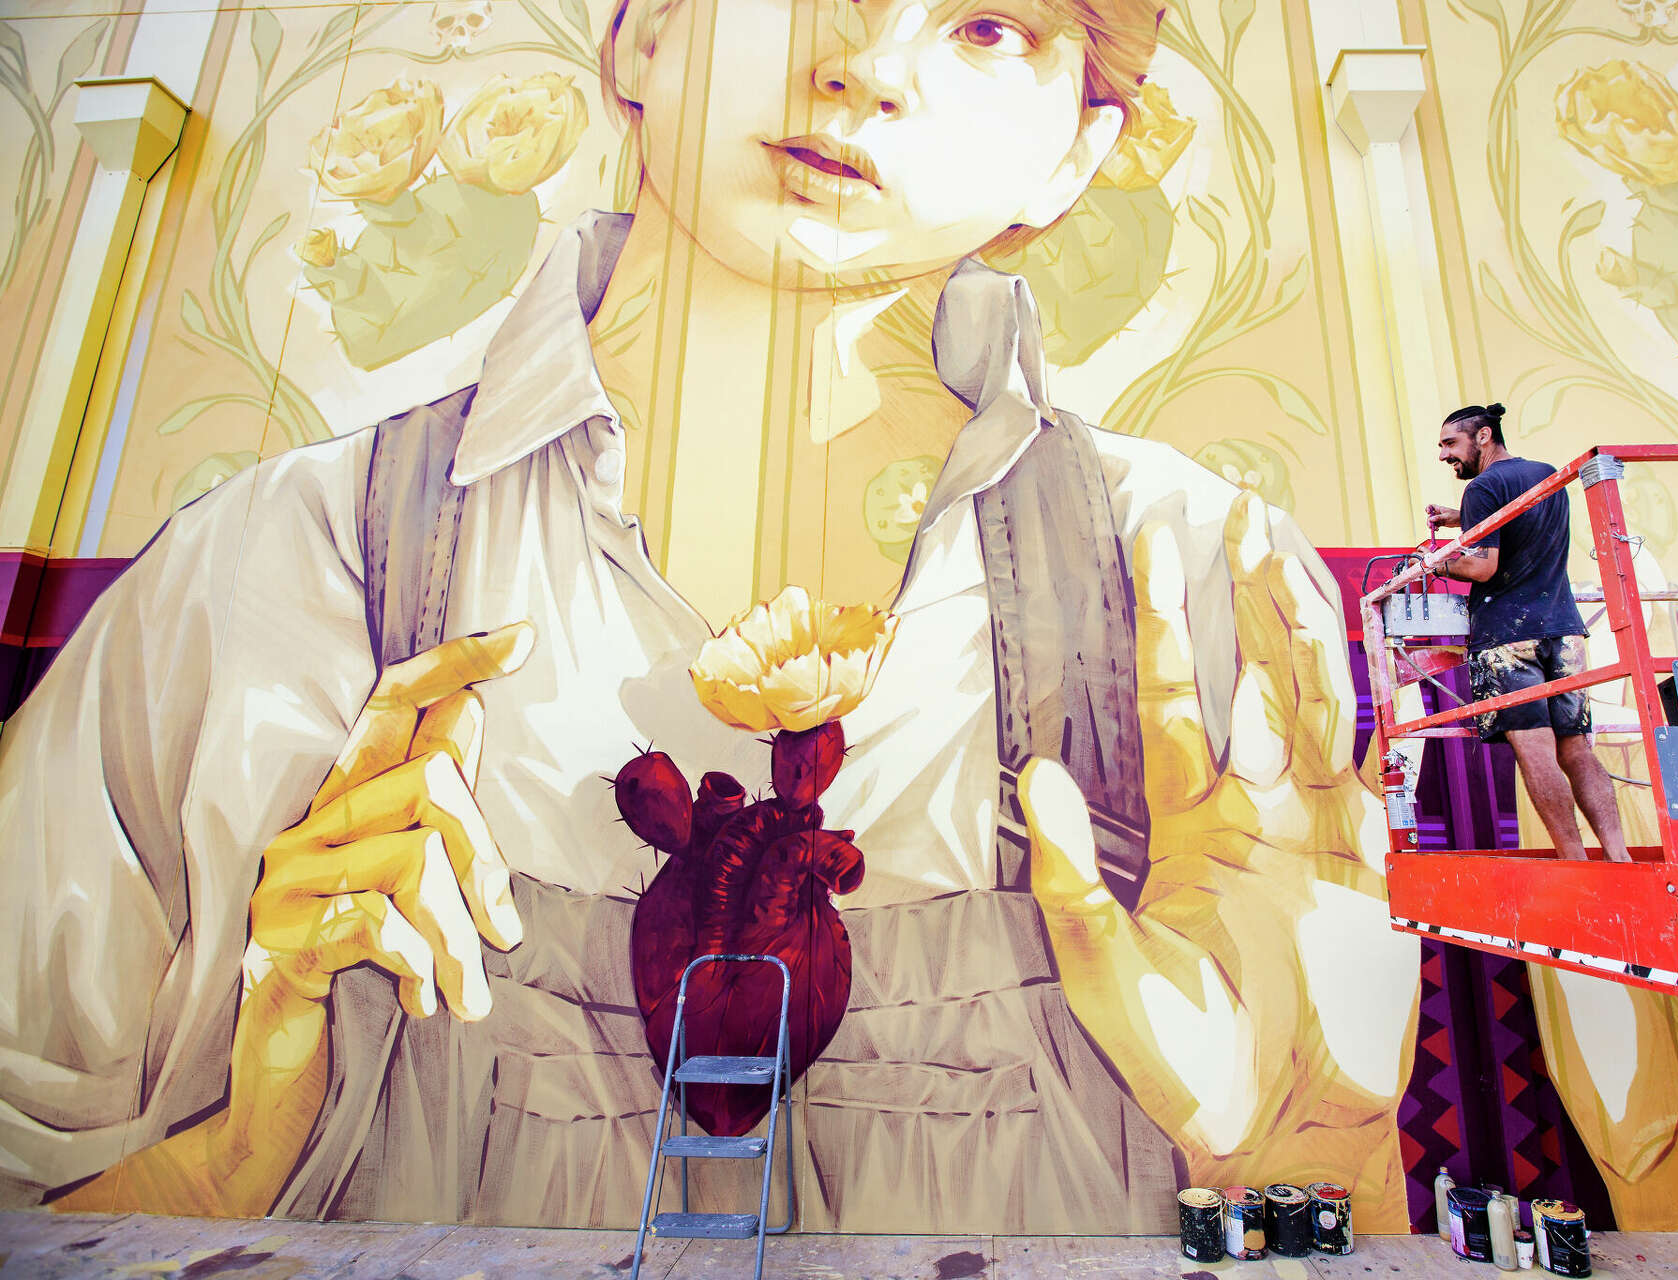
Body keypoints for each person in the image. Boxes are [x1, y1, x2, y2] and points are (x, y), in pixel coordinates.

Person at [0, 0, 1419, 1232]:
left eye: (991, 25)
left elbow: (1334, 1196)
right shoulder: (276, 563)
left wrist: (1319, 1154)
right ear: (642, 32)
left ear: (1077, 155)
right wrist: (242, 1151)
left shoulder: (1203, 585)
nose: (866, 64)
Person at [1423, 402, 1629, 864]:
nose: (1443, 455)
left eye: (1450, 443)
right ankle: (1618, 857)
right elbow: (1519, 527)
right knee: (1576, 750)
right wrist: (1462, 517)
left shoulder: (1482, 487)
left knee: (1535, 751)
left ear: (1482, 436)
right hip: (1563, 631)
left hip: (1508, 638)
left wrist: (1435, 562)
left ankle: (1574, 862)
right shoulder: (1545, 474)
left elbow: (1482, 567)